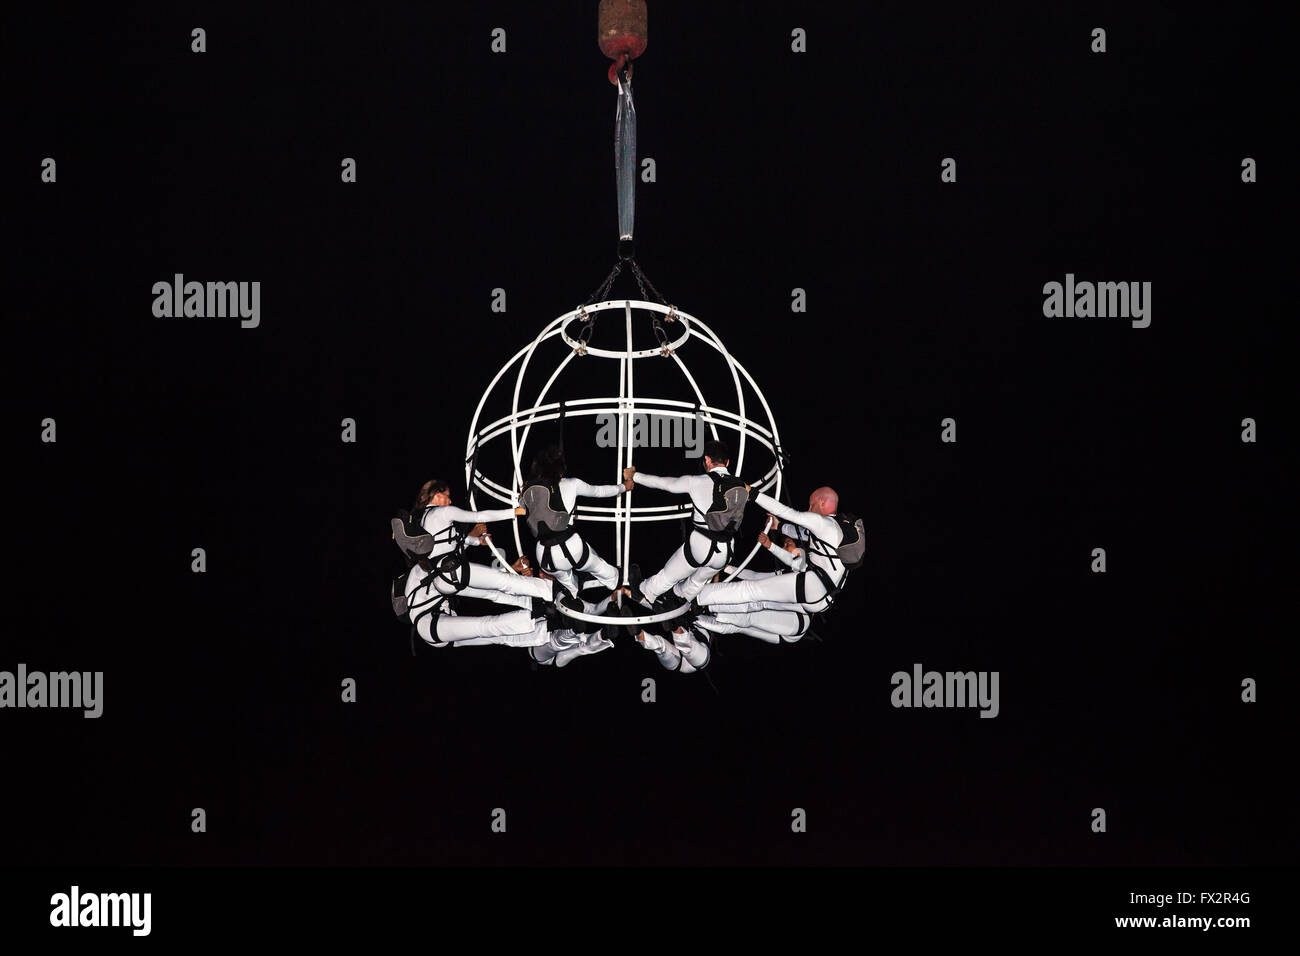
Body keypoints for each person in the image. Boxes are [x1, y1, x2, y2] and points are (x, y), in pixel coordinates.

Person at [622, 439, 752, 609]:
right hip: (726, 551)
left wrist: (635, 476)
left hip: (701, 545)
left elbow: (663, 483)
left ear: (706, 460)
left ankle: (644, 591)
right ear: (727, 462)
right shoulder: (742, 486)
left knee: (668, 576)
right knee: (697, 581)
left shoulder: (696, 482)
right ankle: (680, 599)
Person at [694, 486, 849, 615]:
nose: (809, 509)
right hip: (823, 600)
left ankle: (695, 597)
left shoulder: (823, 522)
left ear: (822, 503)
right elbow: (801, 533)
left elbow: (787, 512)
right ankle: (704, 605)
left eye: (811, 505)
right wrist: (778, 526)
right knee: (758, 599)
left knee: (751, 590)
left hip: (813, 587)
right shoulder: (836, 530)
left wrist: (752, 492)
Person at [411, 479, 556, 607]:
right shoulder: (442, 512)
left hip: (441, 581)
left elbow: (450, 542)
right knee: (504, 581)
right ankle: (551, 591)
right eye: (447, 496)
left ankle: (537, 603)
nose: (450, 501)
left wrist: (477, 541)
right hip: (453, 571)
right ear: (437, 494)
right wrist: (515, 512)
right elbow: (480, 516)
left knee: (495, 591)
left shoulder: (424, 520)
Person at [519, 444, 631, 600]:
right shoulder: (571, 484)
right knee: (602, 568)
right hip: (571, 548)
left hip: (543, 556)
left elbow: (521, 506)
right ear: (560, 468)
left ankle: (573, 595)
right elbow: (599, 492)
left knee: (568, 582)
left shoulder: (527, 491)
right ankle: (619, 583)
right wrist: (624, 487)